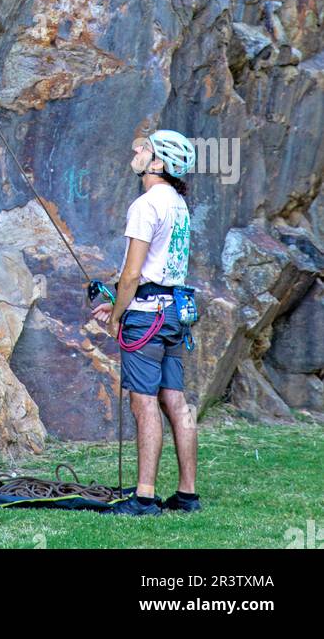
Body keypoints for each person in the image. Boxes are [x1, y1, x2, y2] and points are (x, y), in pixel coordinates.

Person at [92, 130, 201, 516]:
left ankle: (145, 496)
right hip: (174, 312)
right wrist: (118, 301)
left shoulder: (146, 204)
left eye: (144, 148)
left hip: (146, 318)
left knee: (144, 403)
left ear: (158, 164)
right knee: (175, 400)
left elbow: (132, 275)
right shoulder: (178, 204)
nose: (135, 150)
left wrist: (117, 315)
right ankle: (187, 494)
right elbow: (158, 270)